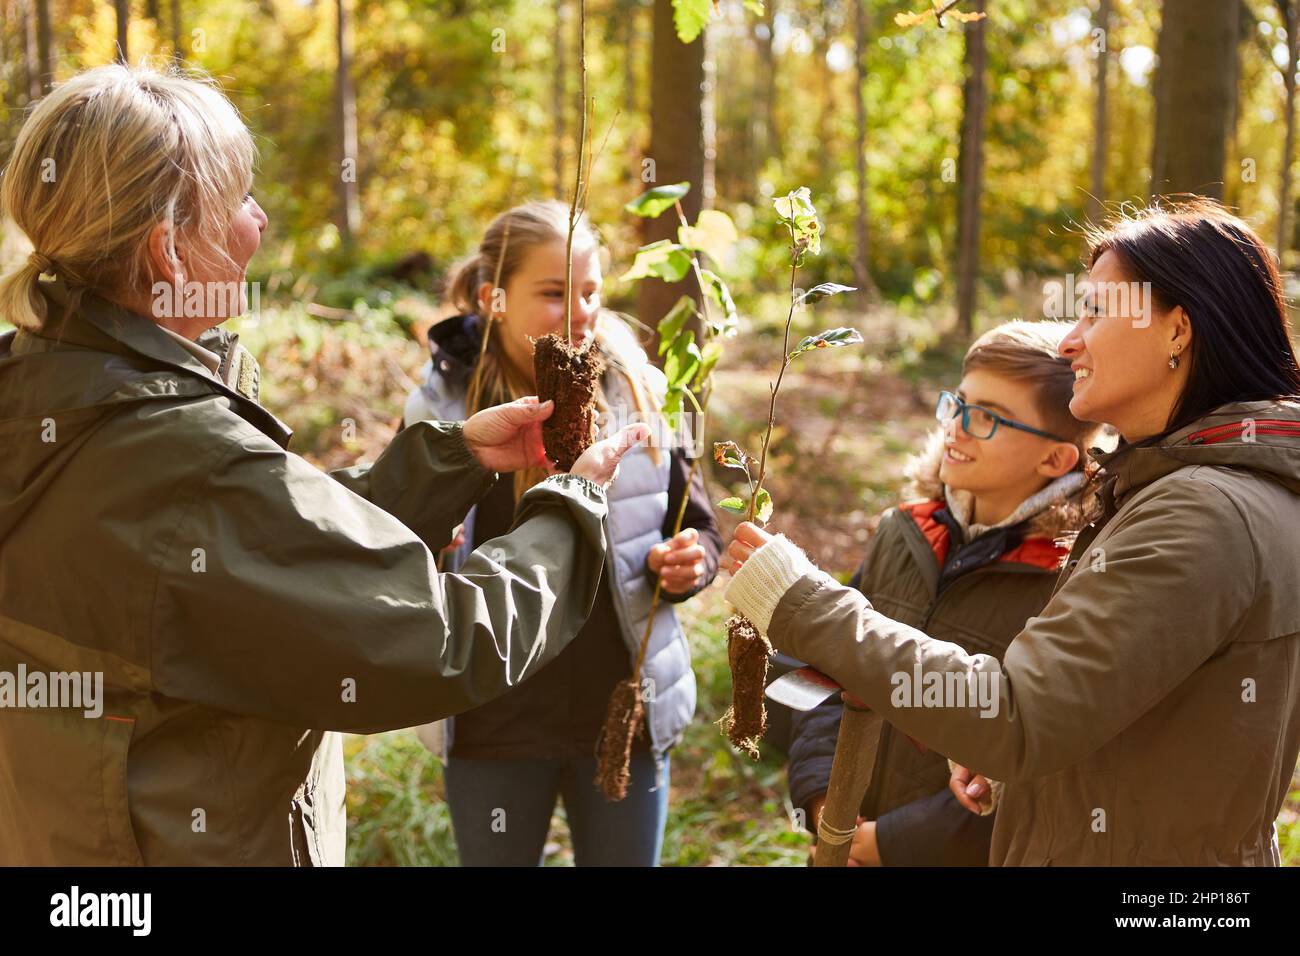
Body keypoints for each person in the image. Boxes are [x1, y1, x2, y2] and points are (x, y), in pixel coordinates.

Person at [0, 63, 646, 866]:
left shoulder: (44, 392)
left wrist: (449, 462)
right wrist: (573, 503)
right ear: (168, 251)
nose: (259, 221)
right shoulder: (179, 457)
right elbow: (441, 640)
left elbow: (245, 558)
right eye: (237, 199)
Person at [726, 200, 1300, 865]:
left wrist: (801, 601)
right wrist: (1034, 775)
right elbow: (1144, 710)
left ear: (1177, 330)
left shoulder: (1202, 514)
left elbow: (1017, 713)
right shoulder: (1208, 489)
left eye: (1098, 312)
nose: (1068, 342)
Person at [404, 200, 722, 866]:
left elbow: (692, 519)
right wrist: (429, 550)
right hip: (492, 715)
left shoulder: (636, 387)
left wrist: (693, 561)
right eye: (553, 294)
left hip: (619, 713)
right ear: (493, 297)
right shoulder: (442, 402)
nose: (580, 313)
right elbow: (401, 539)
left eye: (591, 291)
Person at [786, 321, 1103, 866]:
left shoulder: (1068, 578)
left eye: (985, 418)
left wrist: (896, 843)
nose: (955, 427)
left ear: (1054, 460)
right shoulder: (902, 532)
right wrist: (824, 801)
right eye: (958, 404)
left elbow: (1040, 754)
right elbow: (821, 670)